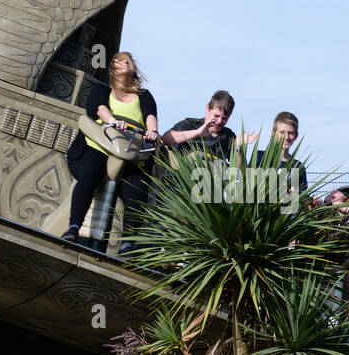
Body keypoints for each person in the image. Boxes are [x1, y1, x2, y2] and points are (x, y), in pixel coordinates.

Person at [61, 51, 158, 250]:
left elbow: (150, 116)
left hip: (131, 152)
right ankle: (73, 227)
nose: (124, 62)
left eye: (128, 60)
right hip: (102, 144)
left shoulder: (144, 96)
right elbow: (99, 108)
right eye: (119, 60)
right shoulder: (102, 89)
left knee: (137, 188)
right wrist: (113, 121)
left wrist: (152, 131)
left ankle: (128, 243)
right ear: (112, 69)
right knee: (89, 174)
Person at [164, 90, 256, 160]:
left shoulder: (228, 136)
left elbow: (238, 172)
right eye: (216, 116)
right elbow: (165, 139)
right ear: (207, 109)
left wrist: (237, 147)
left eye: (224, 118)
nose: (219, 121)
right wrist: (197, 133)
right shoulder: (191, 124)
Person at [253, 110, 308, 192]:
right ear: (273, 133)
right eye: (282, 132)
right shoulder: (260, 158)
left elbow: (303, 198)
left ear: (296, 136)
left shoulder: (298, 167)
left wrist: (311, 200)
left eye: (291, 133)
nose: (286, 137)